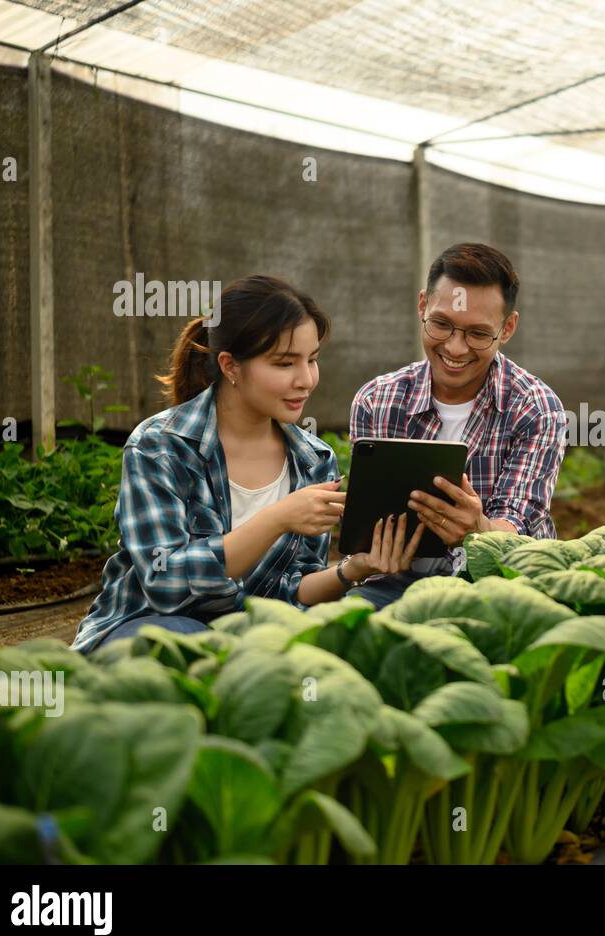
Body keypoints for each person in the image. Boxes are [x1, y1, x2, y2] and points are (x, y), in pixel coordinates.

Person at [73, 275, 420, 653]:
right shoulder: (161, 447)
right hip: (149, 625)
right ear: (231, 366)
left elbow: (291, 592)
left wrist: (353, 569)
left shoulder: (314, 460)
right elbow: (166, 582)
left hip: (252, 638)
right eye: (285, 363)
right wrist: (278, 518)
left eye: (313, 360)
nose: (305, 380)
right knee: (180, 646)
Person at [347, 243, 565, 608]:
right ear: (422, 307)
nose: (456, 348)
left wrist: (478, 529)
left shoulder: (535, 408)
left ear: (507, 328)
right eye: (442, 324)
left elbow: (519, 522)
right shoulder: (376, 401)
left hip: (500, 585)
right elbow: (367, 524)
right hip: (395, 583)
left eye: (478, 334)